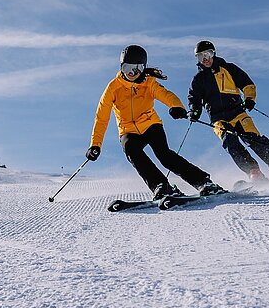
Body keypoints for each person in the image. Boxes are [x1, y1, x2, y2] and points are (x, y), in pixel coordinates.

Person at [86, 44, 223, 199]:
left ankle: (203, 182)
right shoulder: (113, 87)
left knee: (164, 155)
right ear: (121, 67)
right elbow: (101, 118)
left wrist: (177, 106)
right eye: (126, 68)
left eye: (136, 69)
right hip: (128, 130)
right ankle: (161, 186)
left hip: (151, 124)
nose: (131, 73)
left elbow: (167, 95)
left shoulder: (149, 83)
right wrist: (95, 145)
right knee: (132, 151)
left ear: (143, 68)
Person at [186, 40, 269, 181]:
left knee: (254, 139)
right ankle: (254, 171)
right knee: (230, 142)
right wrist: (194, 111)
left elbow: (247, 84)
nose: (205, 59)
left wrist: (249, 99)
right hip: (218, 119)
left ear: (214, 54)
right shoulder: (199, 79)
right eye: (200, 56)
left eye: (207, 54)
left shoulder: (228, 68)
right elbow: (194, 98)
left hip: (237, 113)